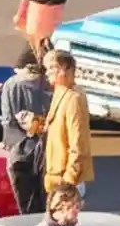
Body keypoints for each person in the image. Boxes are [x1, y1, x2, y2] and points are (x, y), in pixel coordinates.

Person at [0, 45, 52, 214]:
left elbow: (8, 122)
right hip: (48, 151)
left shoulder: (11, 85)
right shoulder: (50, 84)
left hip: (20, 152)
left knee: (25, 206)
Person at [40, 49, 93, 199]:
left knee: (65, 220)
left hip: (65, 179)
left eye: (51, 68)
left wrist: (69, 180)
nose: (47, 73)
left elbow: (78, 142)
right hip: (54, 176)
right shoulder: (60, 91)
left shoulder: (73, 98)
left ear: (65, 69)